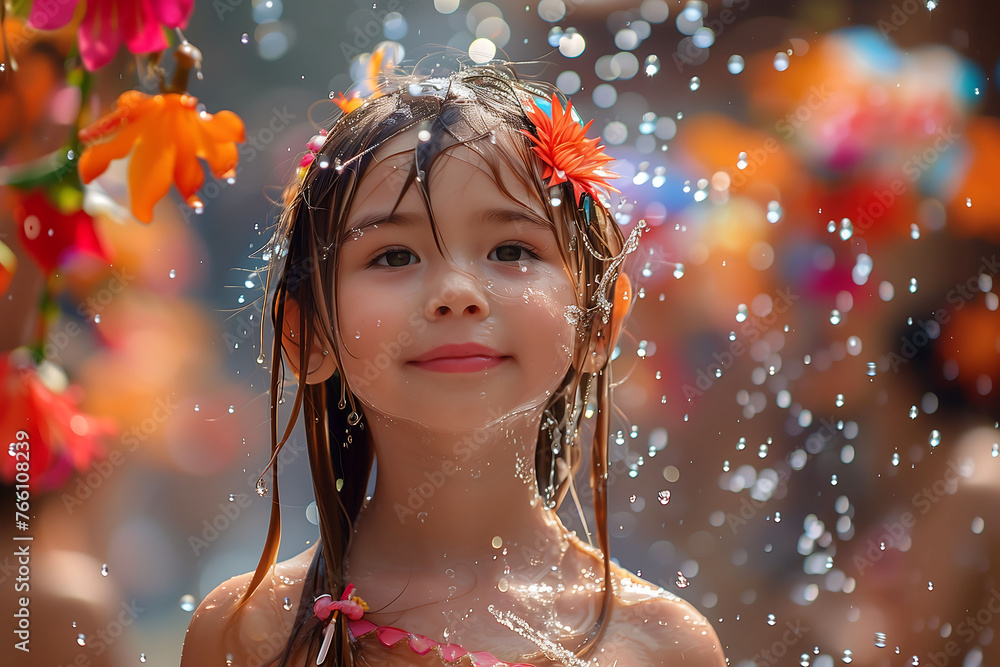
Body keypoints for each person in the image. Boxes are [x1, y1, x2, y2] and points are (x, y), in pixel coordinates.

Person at [180, 62, 726, 667]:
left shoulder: (662, 646)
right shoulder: (251, 632)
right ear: (307, 332)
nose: (457, 291)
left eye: (511, 249)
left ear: (598, 320)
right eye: (393, 255)